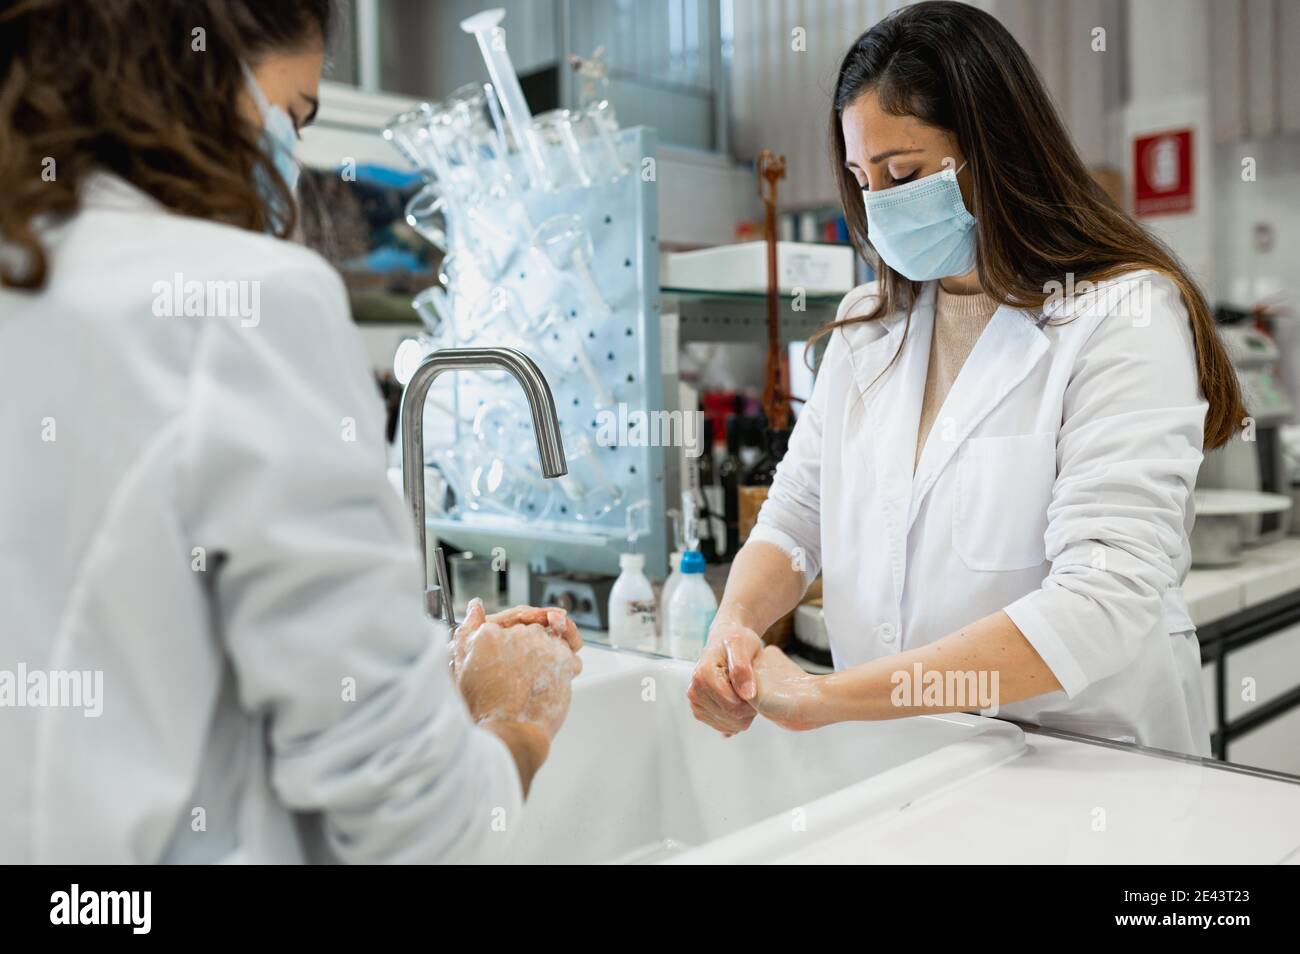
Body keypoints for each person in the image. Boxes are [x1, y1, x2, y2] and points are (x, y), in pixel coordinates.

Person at [0, 0, 580, 863]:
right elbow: (428, 835)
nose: (288, 159)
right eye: (294, 116)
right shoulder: (243, 303)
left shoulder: (34, 273)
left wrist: (406, 688)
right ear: (199, 69)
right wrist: (512, 719)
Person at [689, 0, 1242, 757]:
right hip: (911, 761)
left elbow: (1102, 600)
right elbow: (794, 522)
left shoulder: (1120, 315)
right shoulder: (869, 326)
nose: (879, 207)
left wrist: (829, 696)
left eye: (903, 173)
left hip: (1083, 772)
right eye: (862, 177)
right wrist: (734, 628)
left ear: (995, 149)